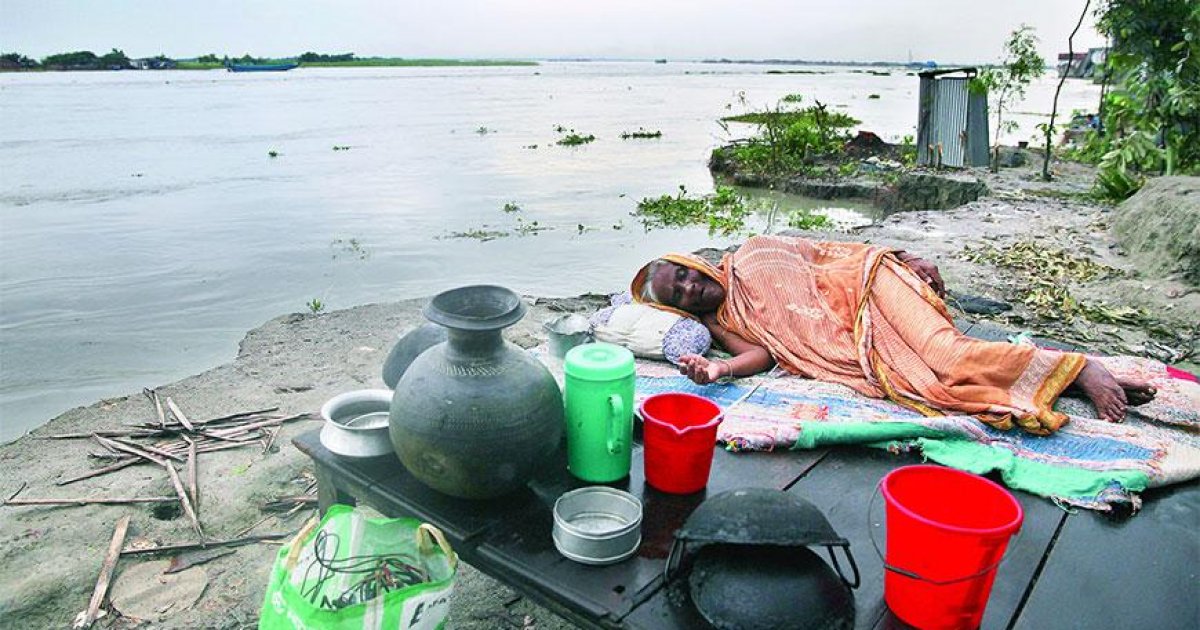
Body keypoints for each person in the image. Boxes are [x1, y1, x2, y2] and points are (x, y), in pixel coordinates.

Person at [631, 235, 1155, 434]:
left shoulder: (753, 251)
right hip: (861, 338)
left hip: (874, 285)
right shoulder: (723, 324)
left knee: (944, 355)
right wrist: (717, 368)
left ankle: (1080, 366)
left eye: (685, 274)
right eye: (679, 295)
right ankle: (1055, 380)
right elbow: (762, 354)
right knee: (927, 384)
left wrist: (901, 256)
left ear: (693, 262)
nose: (692, 288)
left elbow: (831, 251)